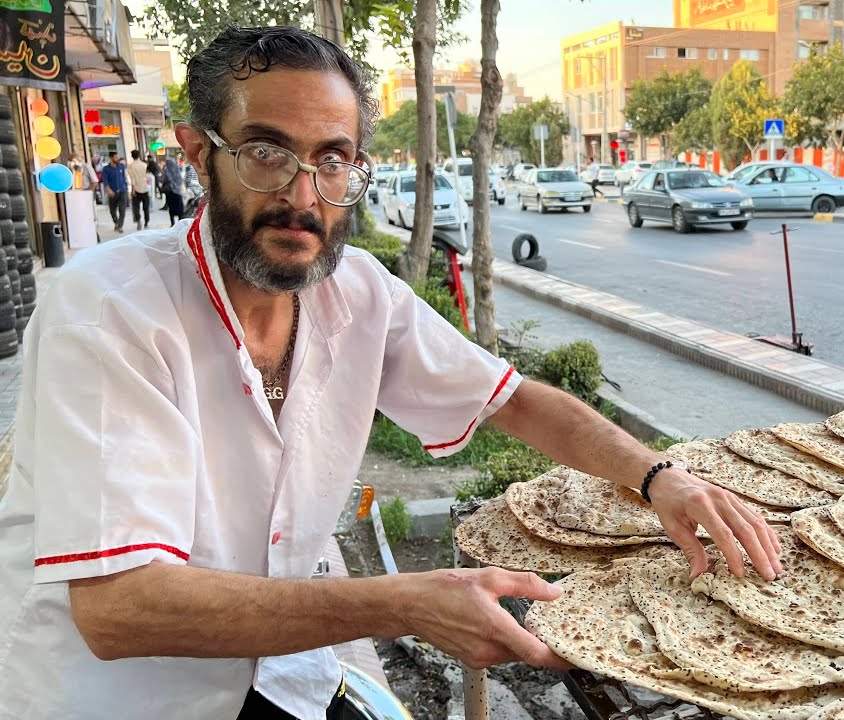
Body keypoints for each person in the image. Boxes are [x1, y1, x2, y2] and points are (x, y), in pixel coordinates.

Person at [0, 25, 782, 720]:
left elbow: (512, 401)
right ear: (199, 152)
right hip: (118, 698)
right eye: (267, 154)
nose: (304, 197)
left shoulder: (358, 294)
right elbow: (120, 609)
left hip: (279, 679)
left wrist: (659, 478)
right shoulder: (105, 311)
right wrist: (404, 603)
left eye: (333, 160)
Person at [99, 151, 128, 232]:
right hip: (112, 192)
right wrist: (108, 190)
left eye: (118, 157)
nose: (117, 159)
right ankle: (116, 222)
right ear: (111, 158)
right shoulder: (106, 169)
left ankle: (120, 226)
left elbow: (124, 177)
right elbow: (105, 181)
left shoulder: (121, 166)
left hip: (122, 190)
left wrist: (126, 187)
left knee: (122, 209)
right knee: (112, 210)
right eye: (115, 157)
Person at [126, 149, 151, 230]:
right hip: (145, 187)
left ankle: (138, 221)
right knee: (146, 206)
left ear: (132, 156)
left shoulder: (131, 166)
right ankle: (146, 221)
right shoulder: (144, 164)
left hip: (136, 188)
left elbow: (132, 179)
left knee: (136, 207)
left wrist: (132, 190)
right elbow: (147, 176)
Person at [161, 155, 186, 226]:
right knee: (179, 208)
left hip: (170, 193)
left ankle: (172, 223)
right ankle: (180, 223)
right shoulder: (176, 169)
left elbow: (162, 179)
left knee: (171, 208)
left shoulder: (166, 170)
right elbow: (180, 180)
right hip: (178, 192)